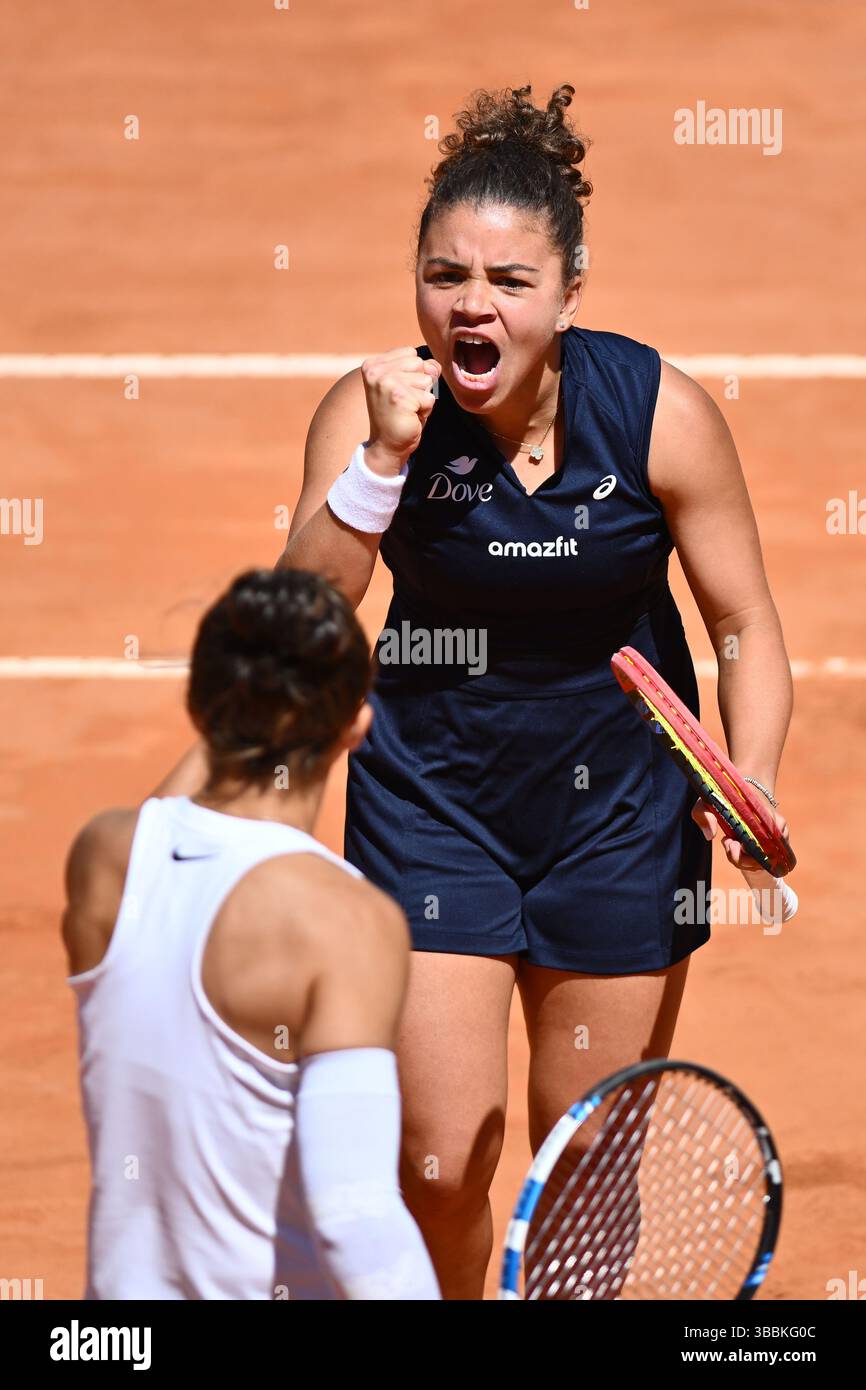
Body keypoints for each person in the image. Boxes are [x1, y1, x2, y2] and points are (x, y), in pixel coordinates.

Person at [157, 81, 794, 1300]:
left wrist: (745, 768)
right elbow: (300, 614)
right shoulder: (373, 411)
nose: (472, 304)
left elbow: (742, 623)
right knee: (440, 1160)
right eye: (446, 275)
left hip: (618, 810)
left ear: (567, 291)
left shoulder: (658, 414)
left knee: (587, 1150)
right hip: (433, 797)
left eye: (508, 281)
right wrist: (381, 466)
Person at [62, 567, 441, 1300]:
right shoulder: (346, 921)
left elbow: (176, 819)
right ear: (357, 725)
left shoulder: (104, 858)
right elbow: (353, 1218)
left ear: (199, 708)